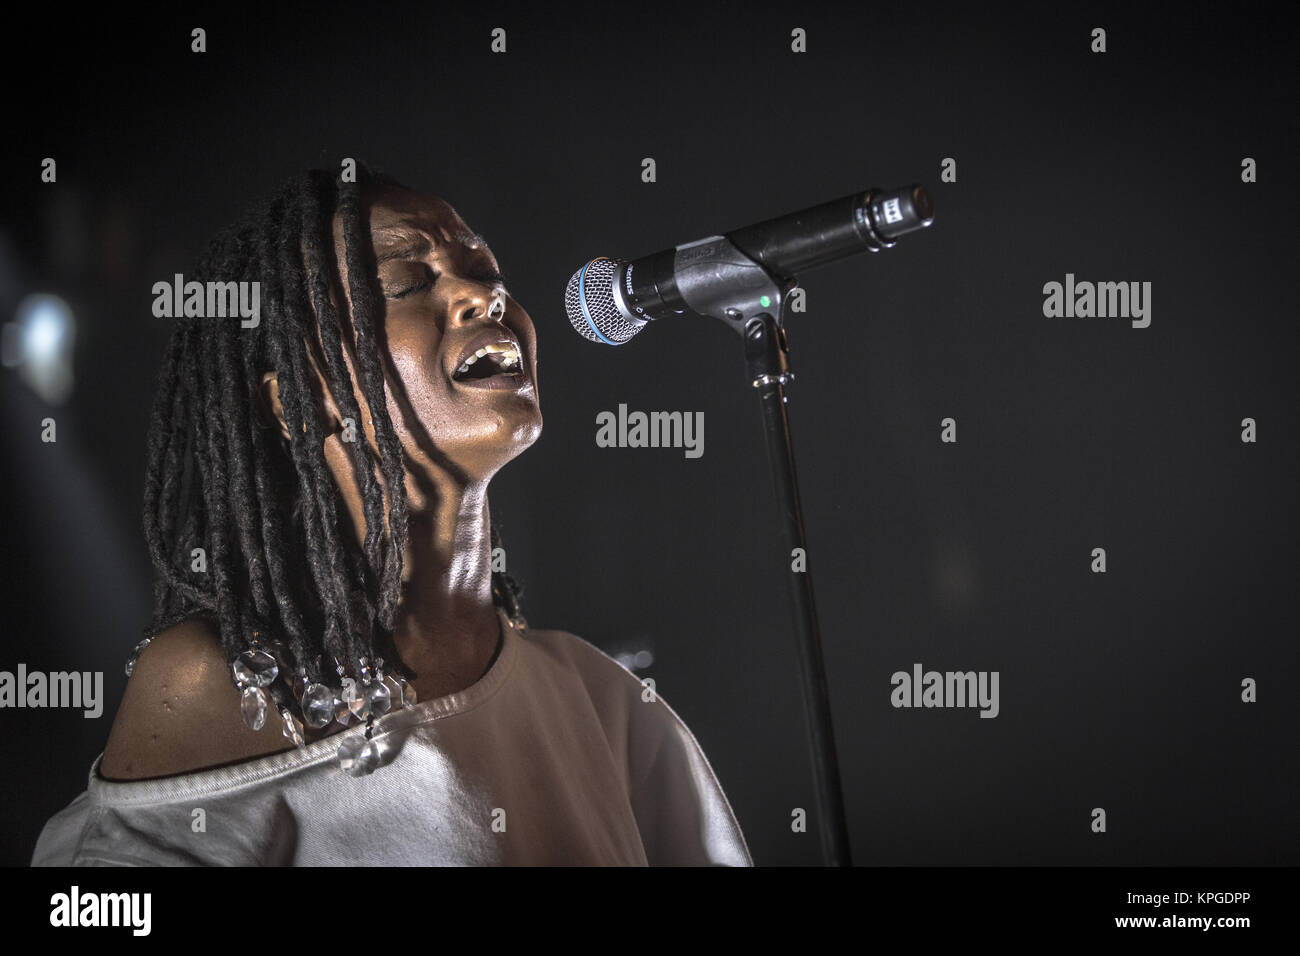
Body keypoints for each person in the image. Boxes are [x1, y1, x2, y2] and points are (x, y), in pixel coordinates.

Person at [31, 165, 751, 866]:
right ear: (303, 403)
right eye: (409, 282)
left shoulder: (599, 701)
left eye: (489, 274)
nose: (482, 295)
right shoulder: (218, 686)